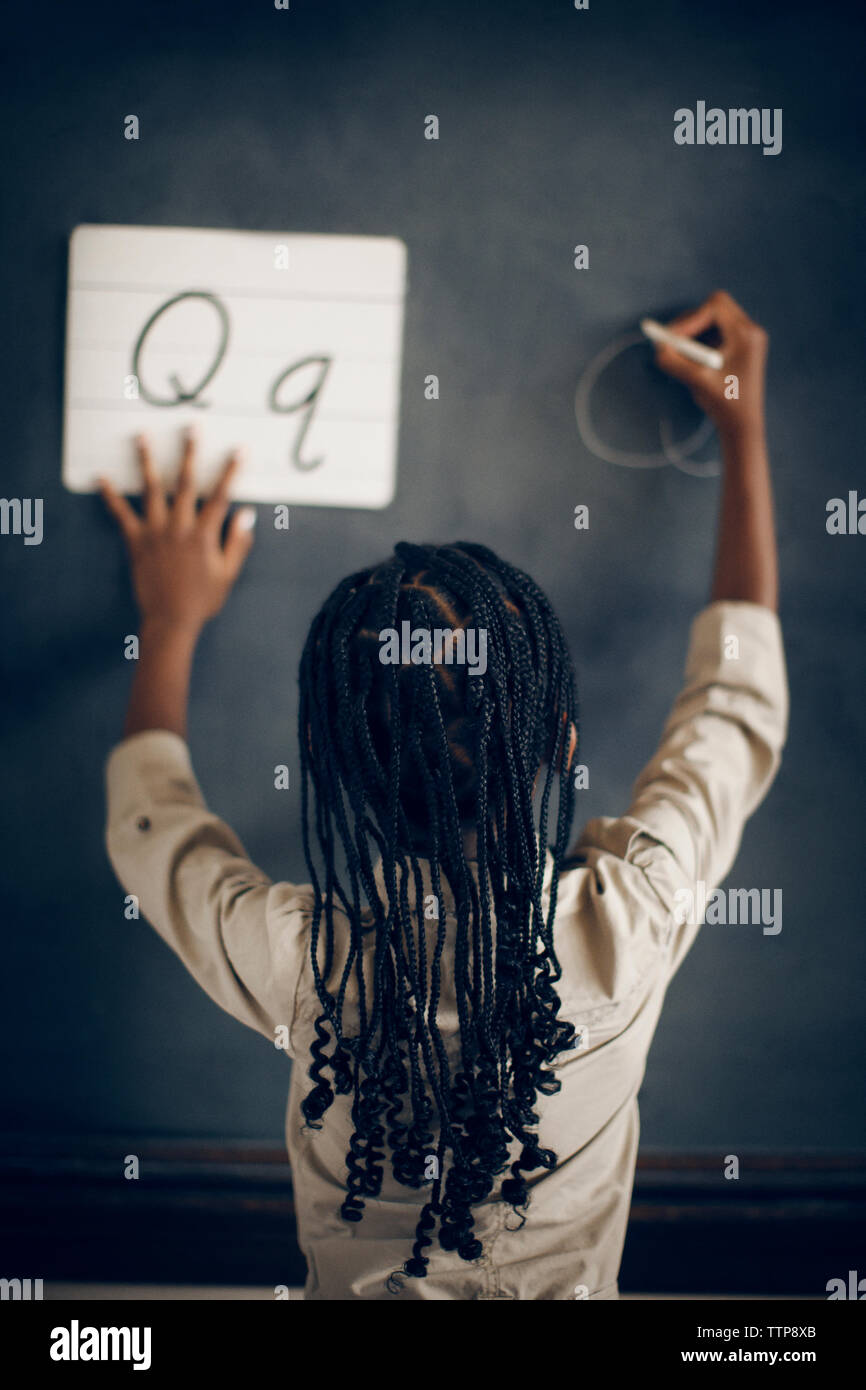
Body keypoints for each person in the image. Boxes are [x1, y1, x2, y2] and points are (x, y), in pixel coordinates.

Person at [100, 290, 788, 1300]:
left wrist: (166, 619)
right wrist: (740, 423)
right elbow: (733, 703)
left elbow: (149, 827)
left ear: (339, 776)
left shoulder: (305, 963)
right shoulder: (628, 921)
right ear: (558, 741)